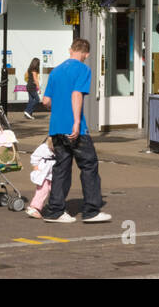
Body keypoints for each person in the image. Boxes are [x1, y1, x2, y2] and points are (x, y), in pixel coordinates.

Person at [40, 39, 110, 223]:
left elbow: (46, 101)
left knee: (61, 167)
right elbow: (76, 94)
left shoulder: (55, 71)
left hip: (56, 127)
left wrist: (57, 110)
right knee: (89, 165)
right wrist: (77, 121)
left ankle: (55, 210)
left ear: (70, 50)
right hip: (74, 127)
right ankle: (91, 211)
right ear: (86, 54)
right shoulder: (83, 69)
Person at [24, 136, 55, 219]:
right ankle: (34, 207)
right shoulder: (43, 147)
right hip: (43, 173)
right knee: (42, 190)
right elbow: (34, 156)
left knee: (55, 190)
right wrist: (35, 166)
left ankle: (56, 206)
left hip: (53, 173)